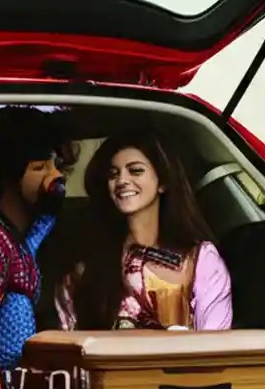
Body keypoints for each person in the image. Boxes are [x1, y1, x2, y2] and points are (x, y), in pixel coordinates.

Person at [54, 129, 233, 331]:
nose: (122, 181)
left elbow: (217, 345)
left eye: (136, 171)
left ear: (163, 182)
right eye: (113, 174)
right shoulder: (87, 266)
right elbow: (70, 344)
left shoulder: (200, 259)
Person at [0, 106, 70, 368]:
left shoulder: (36, 233)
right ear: (8, 175)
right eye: (39, 167)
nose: (55, 176)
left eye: (56, 166)